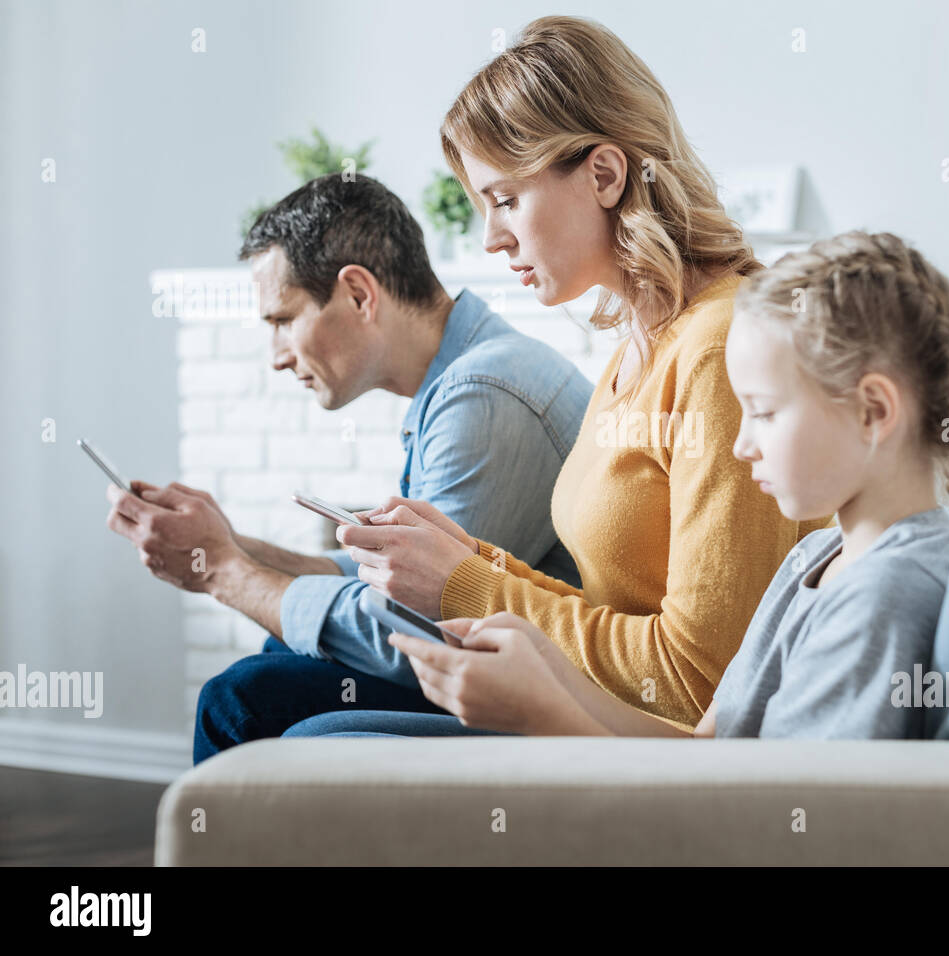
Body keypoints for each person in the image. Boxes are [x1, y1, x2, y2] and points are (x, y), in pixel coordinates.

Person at [286, 15, 835, 738]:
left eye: (505, 199)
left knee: (304, 735)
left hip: (654, 750)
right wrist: (464, 557)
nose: (491, 236)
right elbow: (616, 605)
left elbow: (698, 684)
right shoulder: (638, 346)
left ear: (604, 175)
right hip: (599, 715)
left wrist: (465, 587)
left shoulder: (719, 347)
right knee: (275, 701)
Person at [285, 230, 949, 740]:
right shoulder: (816, 560)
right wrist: (544, 669)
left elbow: (772, 824)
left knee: (315, 745)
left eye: (765, 413)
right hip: (685, 804)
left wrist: (545, 715)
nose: (741, 444)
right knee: (318, 742)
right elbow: (705, 751)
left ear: (873, 411)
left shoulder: (886, 597)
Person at [102, 173, 591, 763]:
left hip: (553, 691)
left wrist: (223, 573)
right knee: (276, 651)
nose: (278, 357)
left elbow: (413, 634)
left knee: (239, 698)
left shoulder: (482, 393)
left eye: (282, 320)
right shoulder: (462, 377)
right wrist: (230, 544)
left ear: (359, 294)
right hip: (501, 659)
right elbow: (393, 579)